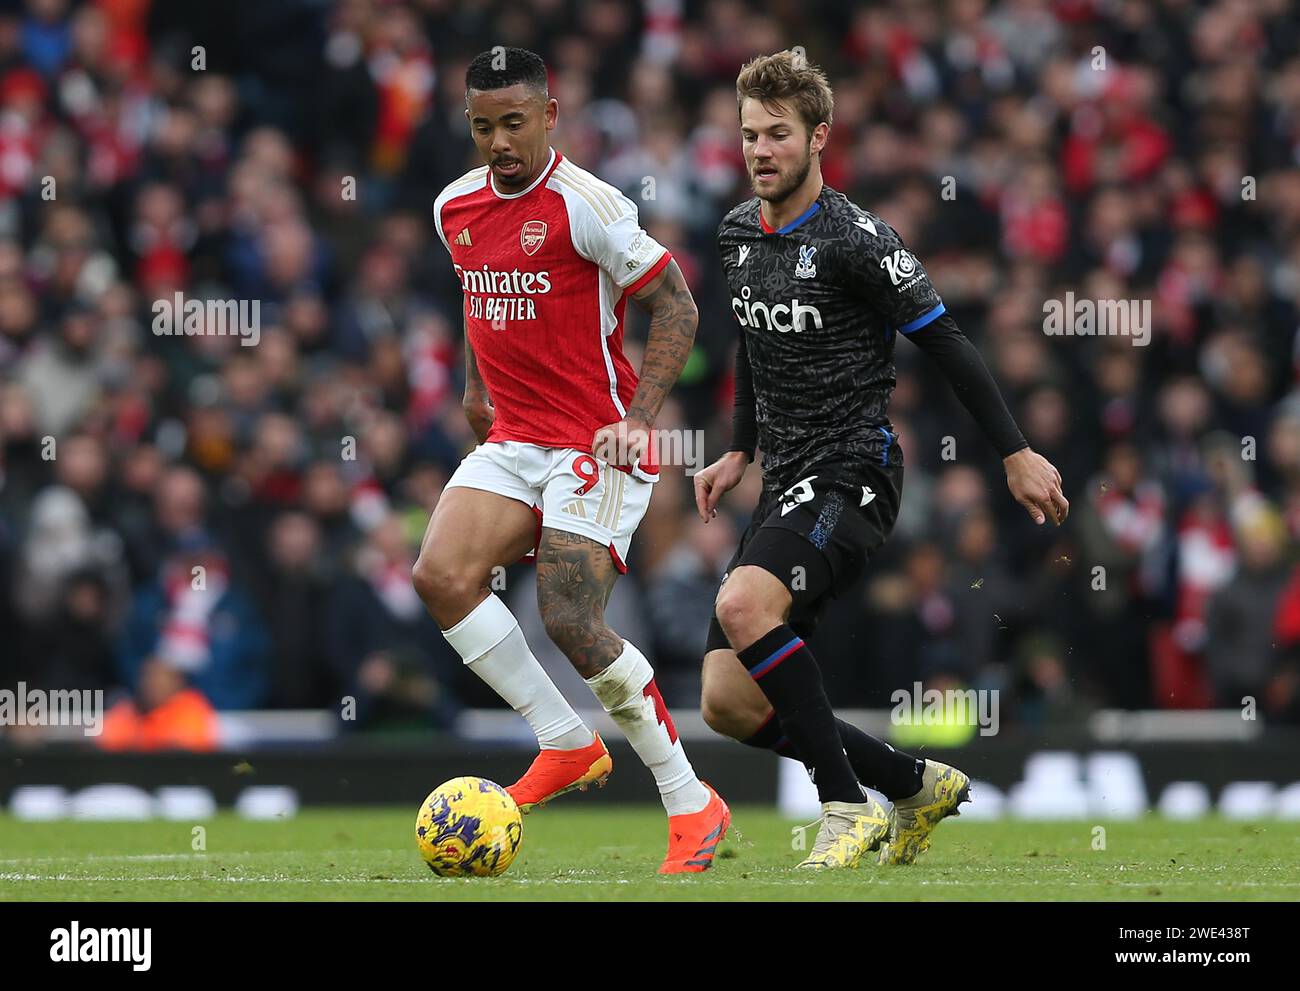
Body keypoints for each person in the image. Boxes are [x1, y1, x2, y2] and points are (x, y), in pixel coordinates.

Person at [694, 50, 1068, 869]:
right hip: (784, 481)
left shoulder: (857, 239)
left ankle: (842, 807)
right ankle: (909, 782)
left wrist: (1015, 453)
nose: (759, 150)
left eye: (778, 135)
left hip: (851, 470)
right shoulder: (733, 236)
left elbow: (949, 343)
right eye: (749, 134)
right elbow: (752, 345)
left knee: (743, 609)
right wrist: (738, 449)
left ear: (819, 137)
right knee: (725, 700)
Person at [416, 47, 728, 874]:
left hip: (595, 440)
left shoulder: (587, 205)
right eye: (483, 126)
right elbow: (476, 291)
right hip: (514, 435)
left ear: (550, 116)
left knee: (570, 620)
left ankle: (690, 800)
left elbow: (678, 305)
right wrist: (475, 383)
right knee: (441, 576)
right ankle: (563, 738)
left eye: (514, 122)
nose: (499, 142)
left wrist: (639, 418)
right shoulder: (453, 207)